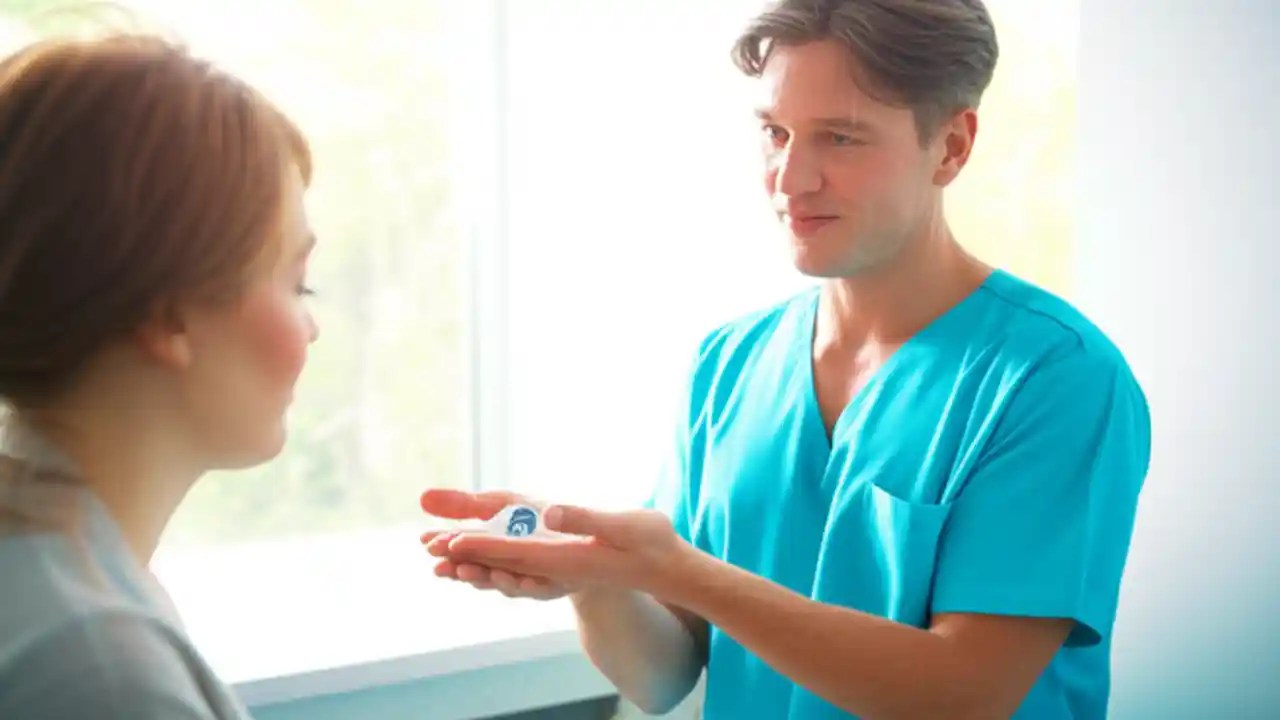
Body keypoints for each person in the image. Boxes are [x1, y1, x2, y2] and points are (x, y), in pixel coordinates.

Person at [421, 1, 1150, 718]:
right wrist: (596, 578)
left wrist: (679, 571)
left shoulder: (1056, 380)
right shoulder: (729, 363)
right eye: (775, 132)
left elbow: (962, 697)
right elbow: (664, 676)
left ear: (953, 147)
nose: (790, 178)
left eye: (840, 138)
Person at [0, 34, 318, 719]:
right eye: (298, 284)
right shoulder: (96, 667)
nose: (311, 328)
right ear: (169, 312)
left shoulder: (50, 569)